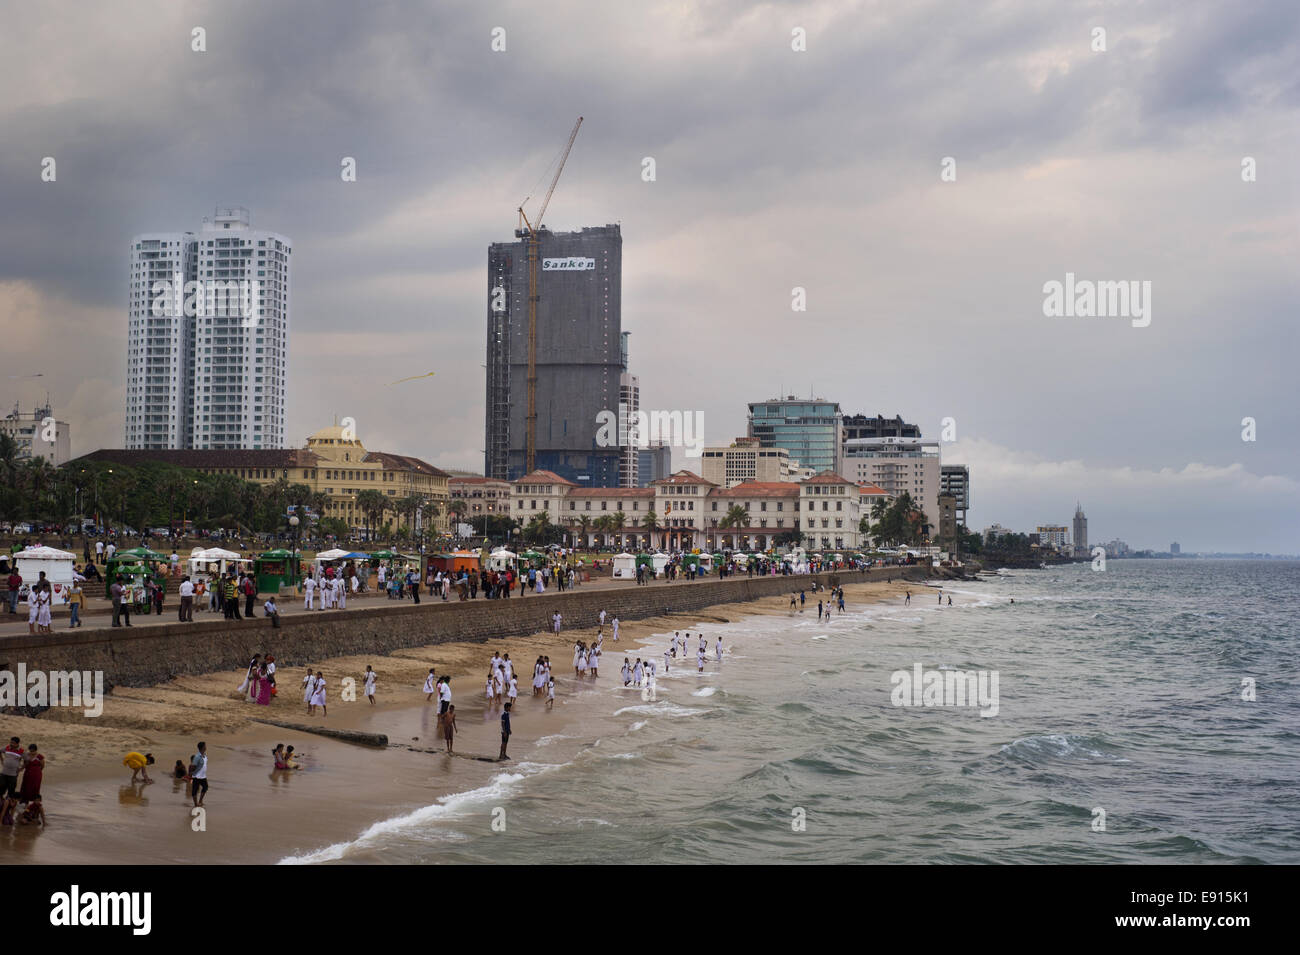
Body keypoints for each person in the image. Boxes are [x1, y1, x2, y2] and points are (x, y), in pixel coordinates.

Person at [189, 742, 208, 807]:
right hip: (197, 776)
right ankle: (195, 804)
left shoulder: (205, 755)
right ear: (202, 747)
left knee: (205, 787)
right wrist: (191, 775)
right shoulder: (197, 756)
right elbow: (192, 766)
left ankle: (200, 801)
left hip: (203, 776)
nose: (206, 747)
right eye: (205, 746)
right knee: (195, 790)